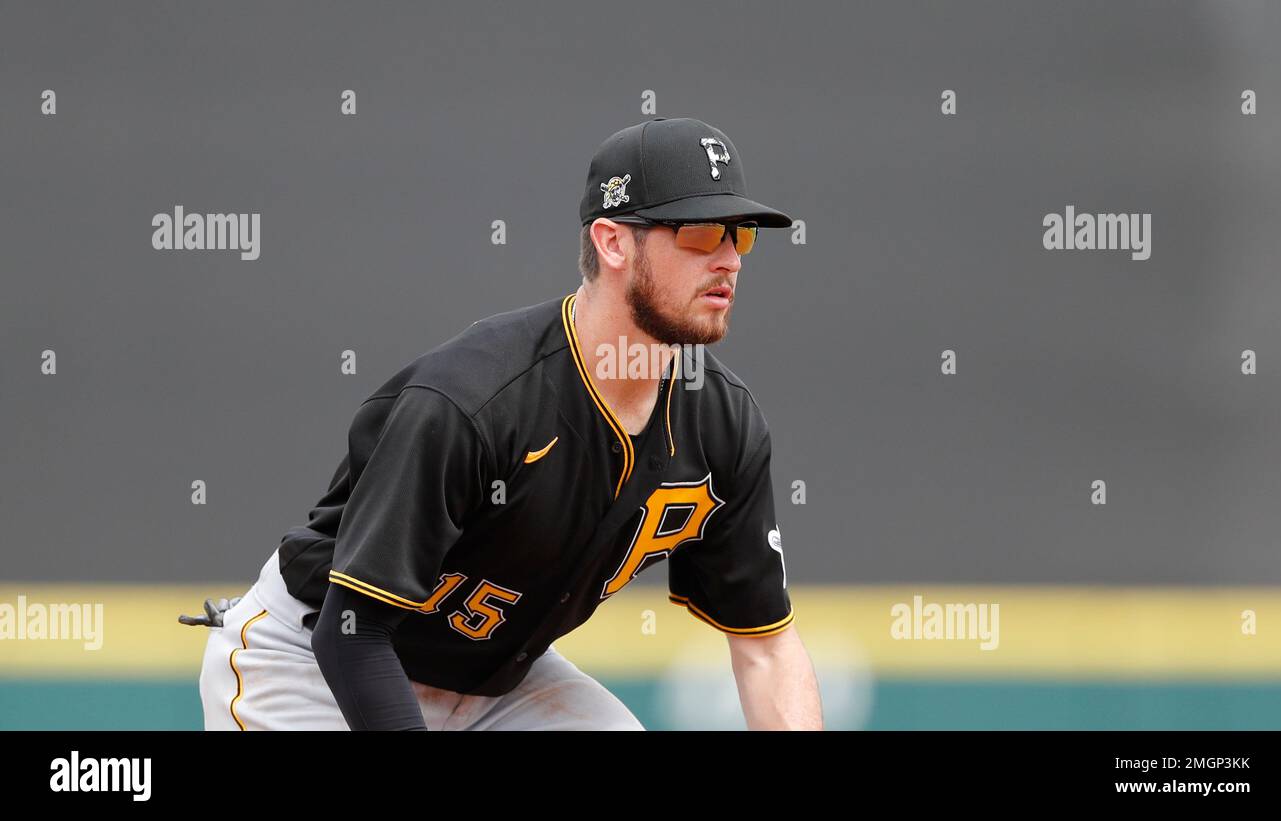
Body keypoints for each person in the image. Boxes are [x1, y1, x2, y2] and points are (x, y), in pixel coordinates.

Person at [184, 116, 823, 730]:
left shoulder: (723, 425)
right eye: (699, 233)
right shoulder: (478, 401)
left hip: (495, 688)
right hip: (315, 663)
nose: (731, 259)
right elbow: (352, 633)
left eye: (740, 235)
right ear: (612, 242)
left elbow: (765, 648)